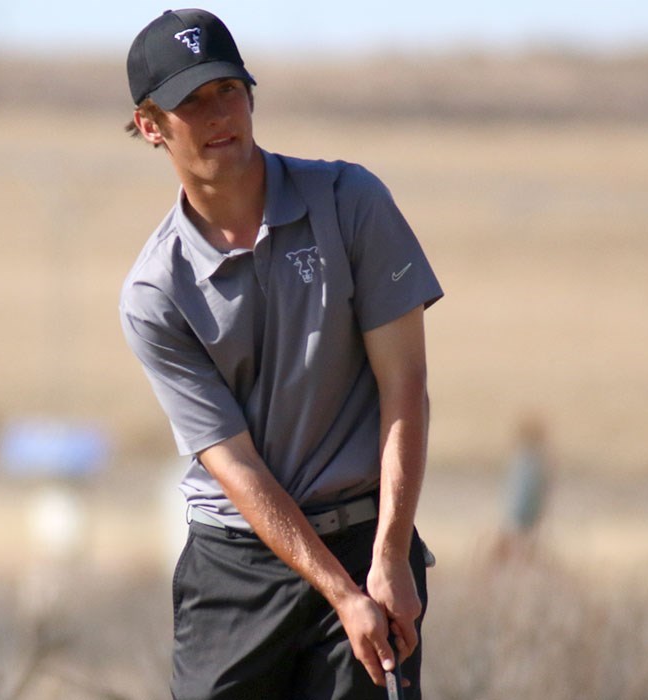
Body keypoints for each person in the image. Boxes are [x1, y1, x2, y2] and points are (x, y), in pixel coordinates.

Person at [119, 9, 443, 699]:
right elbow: (232, 464)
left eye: (229, 90)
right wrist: (337, 592)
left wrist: (389, 557)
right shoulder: (154, 292)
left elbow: (405, 385)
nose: (219, 114)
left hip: (366, 538)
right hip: (235, 567)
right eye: (191, 103)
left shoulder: (351, 202)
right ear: (150, 125)